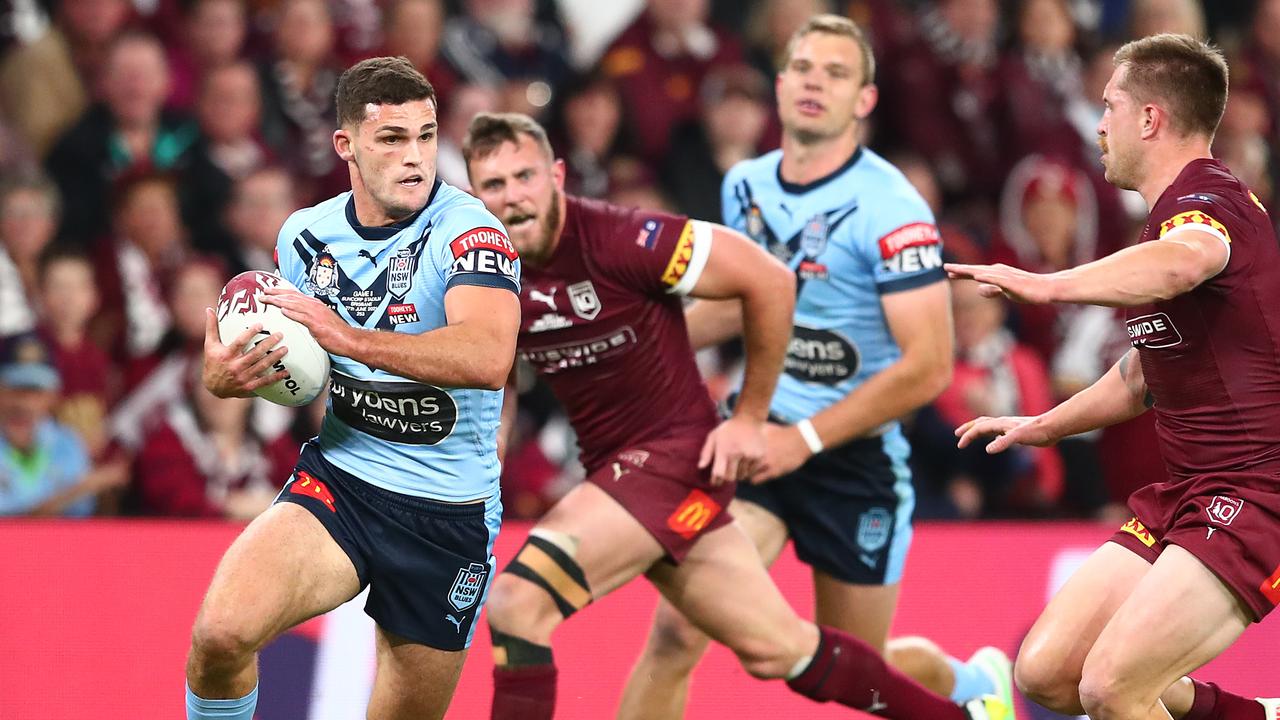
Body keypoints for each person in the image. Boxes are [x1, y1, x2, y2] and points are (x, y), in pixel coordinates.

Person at [464, 111, 1007, 720]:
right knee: (781, 651)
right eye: (494, 184)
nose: (512, 197)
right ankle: (965, 713)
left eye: (524, 177)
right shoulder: (491, 276)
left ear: (557, 175)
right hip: (624, 470)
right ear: (472, 194)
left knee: (516, 603)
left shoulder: (622, 238)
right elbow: (495, 379)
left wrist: (749, 417)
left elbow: (771, 281)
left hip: (671, 460)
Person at [619, 15, 1013, 719]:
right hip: (754, 431)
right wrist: (631, 340)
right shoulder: (745, 183)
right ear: (779, 85)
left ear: (864, 100)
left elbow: (929, 369)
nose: (814, 83)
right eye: (803, 68)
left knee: (852, 671)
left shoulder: (893, 211)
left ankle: (972, 686)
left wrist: (800, 442)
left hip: (850, 459)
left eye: (835, 74)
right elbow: (742, 306)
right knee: (679, 628)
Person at [947, 34, 1280, 720]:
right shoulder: (1159, 223)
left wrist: (1045, 287)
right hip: (1184, 492)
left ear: (1150, 119)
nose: (1099, 123)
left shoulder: (1210, 204)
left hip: (1256, 495)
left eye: (1110, 106)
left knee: (1110, 687)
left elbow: (1187, 260)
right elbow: (1140, 375)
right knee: (1045, 673)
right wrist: (1041, 425)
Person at [183, 56, 520, 720]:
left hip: (446, 516)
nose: (416, 157)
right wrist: (231, 379)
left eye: (425, 136)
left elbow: (488, 356)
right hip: (344, 484)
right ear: (347, 146)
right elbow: (300, 371)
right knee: (220, 635)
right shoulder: (304, 237)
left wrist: (349, 338)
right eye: (392, 139)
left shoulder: (472, 232)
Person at [0, 331, 128, 516]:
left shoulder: (66, 443)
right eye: (16, 390)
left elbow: (82, 515)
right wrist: (81, 488)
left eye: (36, 391)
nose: (25, 403)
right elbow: (13, 523)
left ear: (53, 395)